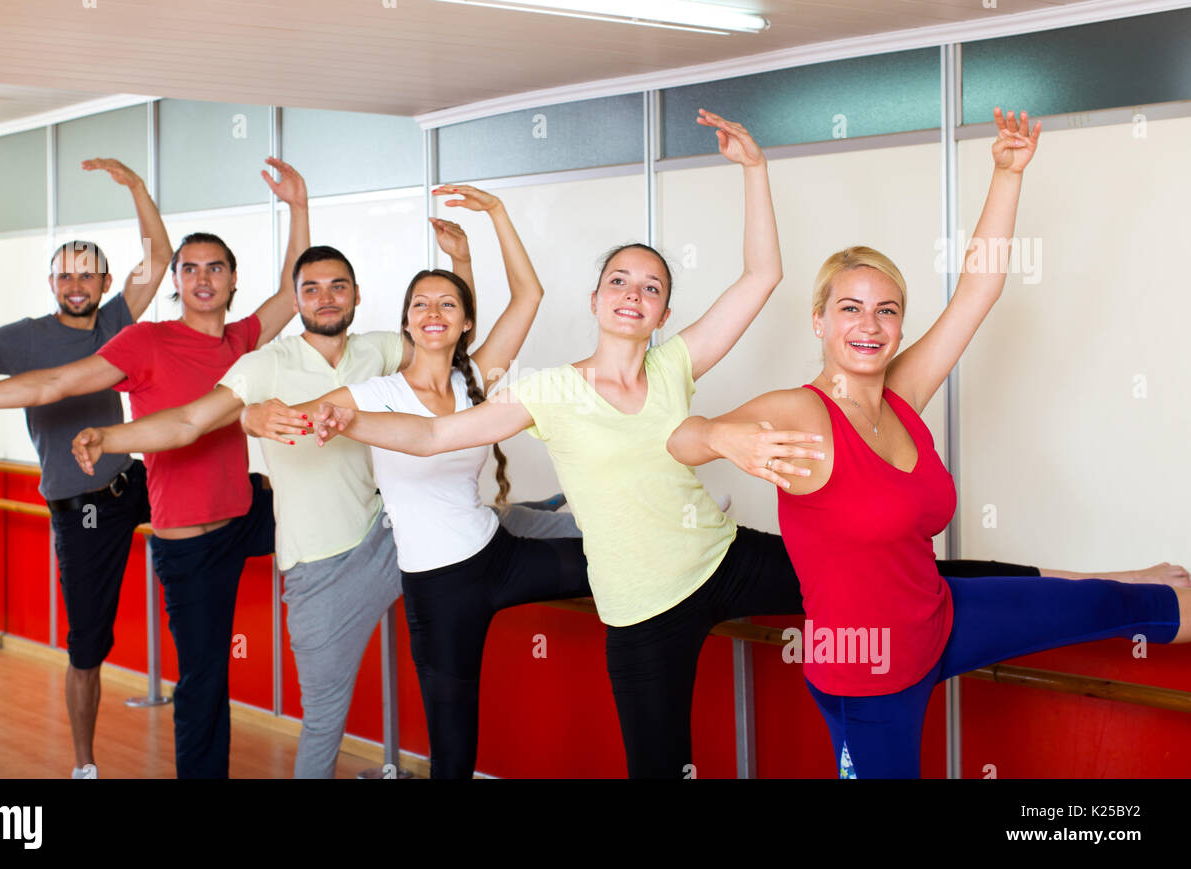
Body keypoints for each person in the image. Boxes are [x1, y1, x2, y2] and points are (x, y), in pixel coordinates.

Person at [307, 109, 1188, 779]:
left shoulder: (682, 360)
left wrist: (760, 170)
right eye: (619, 280)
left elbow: (774, 279)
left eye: (651, 287)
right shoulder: (556, 390)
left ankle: (1134, 591)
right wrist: (347, 415)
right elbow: (439, 432)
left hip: (724, 560)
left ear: (660, 310)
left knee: (946, 583)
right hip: (655, 608)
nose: (633, 294)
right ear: (595, 296)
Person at [666, 109, 1191, 778]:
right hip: (867, 676)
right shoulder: (801, 412)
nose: (870, 323)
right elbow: (677, 438)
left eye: (887, 309)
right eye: (850, 307)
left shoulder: (900, 393)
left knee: (1106, 601)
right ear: (820, 319)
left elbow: (979, 289)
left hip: (940, 619)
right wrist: (719, 435)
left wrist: (1006, 173)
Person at [70, 186, 578, 778]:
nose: (325, 297)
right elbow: (188, 421)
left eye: (338, 285)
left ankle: (567, 512)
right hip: (324, 568)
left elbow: (451, 330)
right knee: (324, 721)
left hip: (393, 532)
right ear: (296, 298)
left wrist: (463, 259)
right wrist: (117, 438)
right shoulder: (266, 364)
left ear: (358, 295)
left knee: (484, 524)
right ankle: (556, 510)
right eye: (310, 288)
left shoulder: (386, 350)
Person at [0, 157, 310, 778]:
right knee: (178, 672)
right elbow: (51, 384)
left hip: (229, 509)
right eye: (190, 270)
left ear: (233, 280)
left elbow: (294, 294)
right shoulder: (139, 340)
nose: (202, 278)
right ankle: (93, 763)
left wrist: (297, 206)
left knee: (340, 506)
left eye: (216, 268)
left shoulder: (234, 338)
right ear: (177, 283)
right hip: (157, 529)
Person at [249, 184, 587, 778]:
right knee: (453, 757)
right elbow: (299, 421)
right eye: (421, 305)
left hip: (496, 555)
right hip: (438, 590)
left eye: (447, 306)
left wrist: (497, 217)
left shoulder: (475, 380)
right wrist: (254, 415)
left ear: (464, 322)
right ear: (406, 321)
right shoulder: (376, 393)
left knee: (615, 557)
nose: (433, 314)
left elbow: (530, 294)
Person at [0, 158, 170, 780]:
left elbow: (159, 258)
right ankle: (84, 765)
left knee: (228, 501)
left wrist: (137, 188)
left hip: (130, 483)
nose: (77, 284)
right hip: (80, 506)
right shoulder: (28, 337)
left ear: (104, 279)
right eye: (66, 276)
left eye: (87, 275)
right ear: (52, 282)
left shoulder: (114, 321)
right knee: (88, 645)